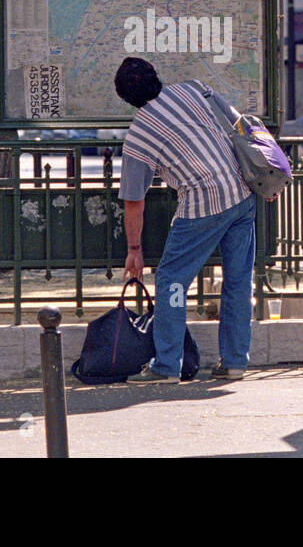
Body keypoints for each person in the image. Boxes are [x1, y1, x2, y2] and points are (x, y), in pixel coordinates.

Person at [113, 57, 257, 384]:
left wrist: (134, 248)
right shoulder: (195, 90)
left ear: (126, 99)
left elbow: (134, 201)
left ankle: (167, 364)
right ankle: (234, 361)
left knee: (172, 281)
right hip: (243, 193)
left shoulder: (138, 136)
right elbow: (240, 126)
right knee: (237, 280)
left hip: (203, 205)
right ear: (156, 76)